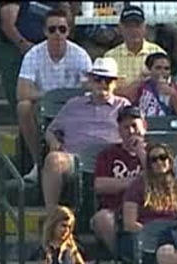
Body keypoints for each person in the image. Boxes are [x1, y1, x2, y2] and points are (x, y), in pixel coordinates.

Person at [39, 57, 131, 211]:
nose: (102, 84)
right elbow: (50, 130)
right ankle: (52, 215)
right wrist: (54, 142)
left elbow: (133, 131)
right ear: (90, 81)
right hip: (75, 158)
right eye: (98, 79)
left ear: (115, 83)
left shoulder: (123, 105)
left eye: (107, 80)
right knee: (53, 160)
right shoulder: (74, 104)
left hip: (111, 160)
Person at [16, 8, 94, 180]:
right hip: (44, 107)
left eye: (62, 29)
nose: (57, 34)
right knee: (23, 107)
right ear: (44, 31)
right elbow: (21, 92)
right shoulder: (33, 54)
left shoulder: (80, 55)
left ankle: (80, 163)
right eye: (52, 29)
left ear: (68, 31)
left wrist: (61, 98)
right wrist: (51, 97)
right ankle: (39, 162)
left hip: (74, 108)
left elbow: (89, 89)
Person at [91, 108, 147, 255]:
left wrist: (141, 153)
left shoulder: (158, 153)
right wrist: (135, 182)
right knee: (102, 219)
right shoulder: (108, 154)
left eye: (134, 125)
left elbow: (160, 181)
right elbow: (99, 185)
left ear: (144, 126)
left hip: (147, 211)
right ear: (119, 131)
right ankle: (126, 260)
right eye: (125, 127)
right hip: (115, 211)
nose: (131, 131)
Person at [123, 143, 177, 235]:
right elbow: (129, 224)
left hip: (174, 236)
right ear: (149, 164)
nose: (159, 162)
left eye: (162, 157)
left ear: (169, 161)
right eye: (154, 160)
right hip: (146, 235)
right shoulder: (137, 186)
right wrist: (149, 234)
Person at [105, 5, 166, 86]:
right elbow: (108, 92)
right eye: (129, 26)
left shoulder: (158, 53)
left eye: (137, 26)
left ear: (145, 27)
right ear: (120, 28)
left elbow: (164, 88)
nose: (134, 30)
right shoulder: (110, 57)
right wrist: (140, 81)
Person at [121, 52, 177, 118]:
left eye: (166, 69)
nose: (162, 71)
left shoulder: (175, 88)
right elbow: (124, 100)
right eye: (158, 68)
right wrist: (139, 81)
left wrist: (173, 94)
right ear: (149, 69)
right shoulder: (141, 85)